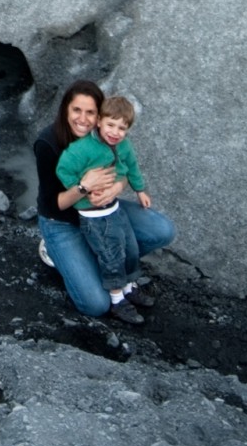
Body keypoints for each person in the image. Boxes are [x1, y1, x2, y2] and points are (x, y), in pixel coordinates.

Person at [33, 79, 176, 319]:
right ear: (65, 109)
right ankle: (55, 252)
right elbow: (54, 205)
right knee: (95, 305)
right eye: (76, 110)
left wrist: (118, 187)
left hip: (104, 212)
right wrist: (84, 186)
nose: (83, 119)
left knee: (162, 230)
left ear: (99, 116)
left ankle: (106, 265)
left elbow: (124, 167)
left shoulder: (108, 136)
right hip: (62, 220)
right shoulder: (47, 143)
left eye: (90, 112)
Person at [55, 94, 152, 322]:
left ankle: (128, 287)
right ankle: (117, 300)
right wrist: (83, 189)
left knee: (129, 247)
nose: (115, 132)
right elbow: (63, 169)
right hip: (94, 216)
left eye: (122, 128)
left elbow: (131, 167)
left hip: (114, 209)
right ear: (99, 121)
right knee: (111, 256)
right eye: (110, 125)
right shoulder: (82, 149)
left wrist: (140, 190)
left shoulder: (123, 145)